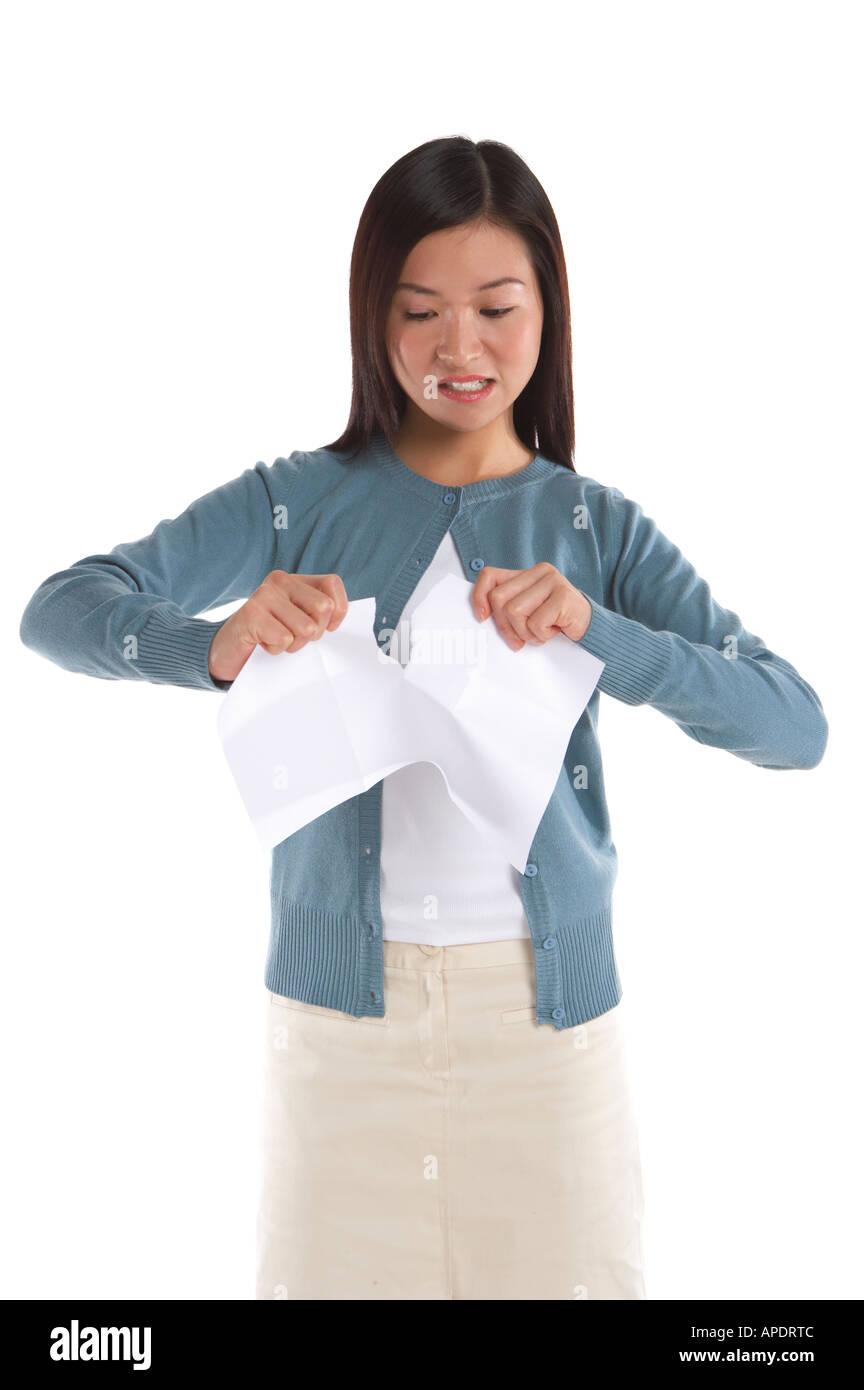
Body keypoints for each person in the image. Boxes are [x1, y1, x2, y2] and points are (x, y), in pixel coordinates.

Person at [19, 135, 829, 1301]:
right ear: (371, 317)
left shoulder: (595, 528)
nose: (460, 349)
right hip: (339, 1037)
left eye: (497, 307)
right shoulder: (295, 498)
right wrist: (213, 644)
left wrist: (602, 631)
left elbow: (794, 725)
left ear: (548, 308)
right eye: (420, 310)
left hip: (549, 1044)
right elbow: (61, 608)